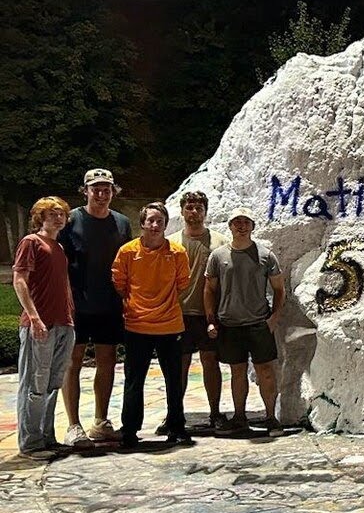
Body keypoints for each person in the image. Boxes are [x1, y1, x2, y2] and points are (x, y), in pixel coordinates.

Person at [59, 168, 132, 445]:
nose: (101, 194)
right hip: (77, 304)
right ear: (86, 190)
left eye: (106, 189)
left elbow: (127, 262)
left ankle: (100, 421)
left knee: (107, 361)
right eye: (96, 189)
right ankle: (73, 424)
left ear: (113, 192)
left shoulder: (122, 223)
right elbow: (61, 263)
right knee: (72, 362)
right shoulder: (71, 220)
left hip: (110, 303)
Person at [112, 203, 191, 447]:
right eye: (151, 221)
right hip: (137, 325)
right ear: (142, 224)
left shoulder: (177, 253)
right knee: (134, 380)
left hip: (170, 325)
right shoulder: (127, 252)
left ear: (166, 225)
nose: (155, 226)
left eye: (160, 221)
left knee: (174, 380)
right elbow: (119, 282)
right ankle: (130, 430)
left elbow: (182, 283)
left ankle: (176, 426)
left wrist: (162, 304)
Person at [204, 207, 287, 436]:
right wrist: (211, 319)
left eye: (246, 221)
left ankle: (271, 417)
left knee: (265, 371)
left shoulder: (265, 255)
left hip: (258, 322)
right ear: (230, 226)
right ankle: (239, 417)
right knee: (237, 371)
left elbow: (279, 289)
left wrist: (274, 318)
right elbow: (209, 289)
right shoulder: (218, 256)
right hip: (229, 323)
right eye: (236, 221)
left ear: (252, 226)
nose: (241, 226)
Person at [157, 191, 229, 434]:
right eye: (189, 207)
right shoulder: (171, 242)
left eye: (199, 207)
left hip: (209, 314)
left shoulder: (220, 242)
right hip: (178, 312)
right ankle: (174, 414)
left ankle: (216, 413)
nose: (194, 212)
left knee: (210, 362)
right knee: (179, 365)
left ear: (205, 211)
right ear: (182, 210)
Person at [12, 197, 76, 460]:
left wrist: (70, 315)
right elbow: (20, 280)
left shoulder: (58, 247)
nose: (58, 218)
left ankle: (47, 436)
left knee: (52, 383)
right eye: (52, 214)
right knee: (34, 385)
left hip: (63, 323)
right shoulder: (31, 242)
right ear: (40, 217)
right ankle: (31, 443)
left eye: (61, 213)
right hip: (40, 324)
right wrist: (34, 318)